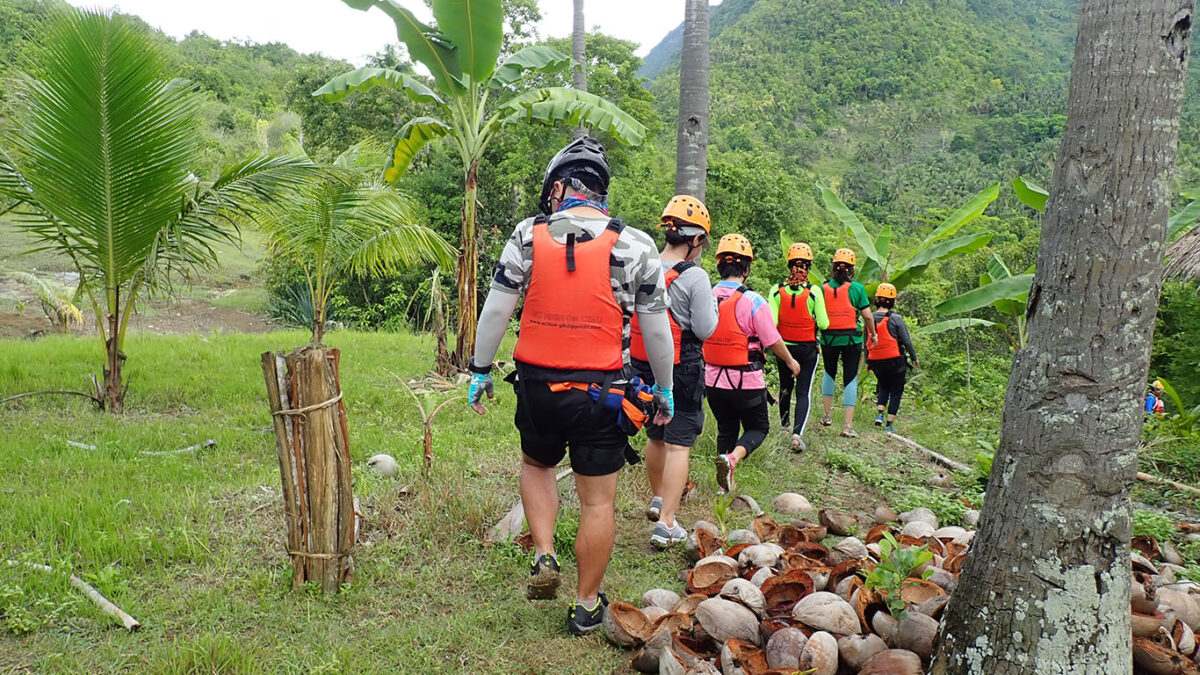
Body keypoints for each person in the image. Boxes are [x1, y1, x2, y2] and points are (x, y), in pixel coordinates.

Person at [466, 137, 676, 636]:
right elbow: (657, 330)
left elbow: (497, 308)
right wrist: (664, 389)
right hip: (603, 392)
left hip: (536, 386)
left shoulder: (525, 235)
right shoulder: (638, 244)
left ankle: (543, 555)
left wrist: (479, 369)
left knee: (537, 464)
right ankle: (585, 606)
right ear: (601, 190)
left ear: (559, 187)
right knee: (598, 502)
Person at [629, 195, 719, 549]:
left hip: (643, 362)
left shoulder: (645, 264)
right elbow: (705, 327)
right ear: (695, 239)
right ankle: (667, 522)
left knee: (655, 434)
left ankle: (657, 499)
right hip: (682, 367)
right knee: (679, 444)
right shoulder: (695, 276)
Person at [704, 234, 802, 493]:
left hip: (712, 381)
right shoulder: (753, 300)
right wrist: (791, 361)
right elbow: (772, 340)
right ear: (746, 269)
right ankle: (733, 459)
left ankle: (723, 487)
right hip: (746, 381)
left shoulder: (705, 295)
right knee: (758, 427)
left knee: (726, 427)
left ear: (719, 266)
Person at [769, 242, 829, 452]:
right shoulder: (815, 292)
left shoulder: (776, 290)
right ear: (808, 267)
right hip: (807, 350)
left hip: (783, 349)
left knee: (785, 387)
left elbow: (772, 322)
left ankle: (784, 427)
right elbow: (823, 324)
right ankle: (797, 434)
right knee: (803, 391)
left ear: (789, 266)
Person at [819, 248, 878, 438]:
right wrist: (874, 334)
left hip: (828, 338)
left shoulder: (823, 287)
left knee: (829, 372)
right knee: (850, 377)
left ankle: (827, 416)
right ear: (851, 269)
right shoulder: (857, 288)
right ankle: (847, 426)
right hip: (852, 339)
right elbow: (867, 316)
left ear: (834, 267)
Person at [865, 283, 918, 433]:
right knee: (896, 391)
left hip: (876, 361)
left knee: (883, 385)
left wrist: (868, 362)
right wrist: (914, 357)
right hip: (895, 362)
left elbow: (866, 342)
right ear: (892, 301)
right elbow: (906, 341)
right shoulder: (896, 318)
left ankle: (880, 415)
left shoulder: (870, 318)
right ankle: (889, 424)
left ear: (877, 300)